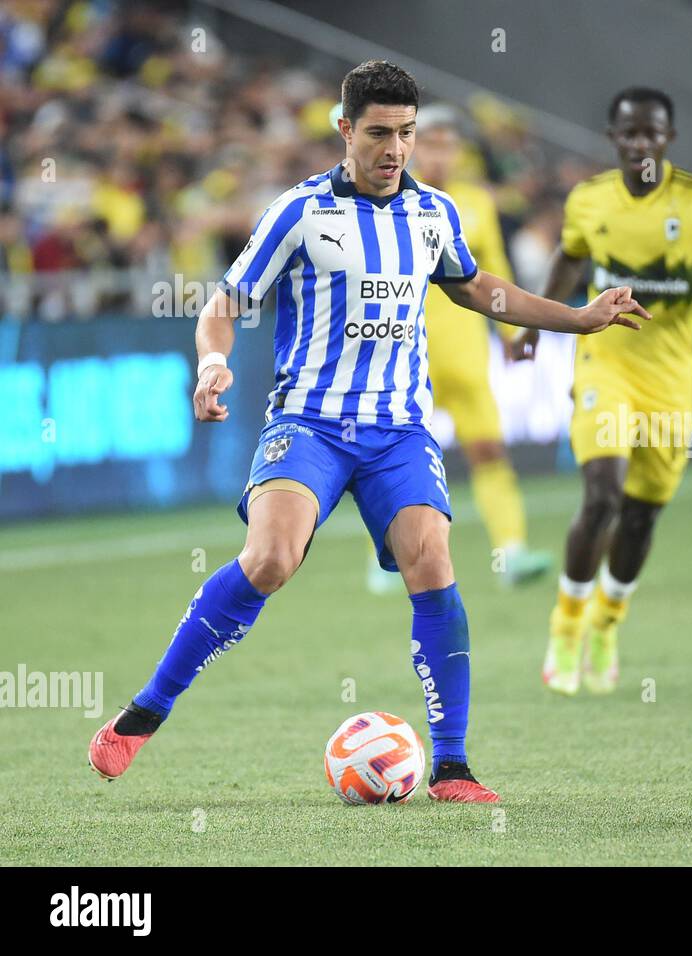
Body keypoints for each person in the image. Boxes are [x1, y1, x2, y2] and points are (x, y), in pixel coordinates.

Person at [87, 60, 648, 803]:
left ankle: (451, 765)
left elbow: (482, 289)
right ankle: (144, 712)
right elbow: (224, 301)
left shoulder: (434, 214)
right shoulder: (300, 212)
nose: (395, 149)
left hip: (397, 430)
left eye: (407, 134)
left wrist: (578, 317)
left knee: (432, 555)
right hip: (309, 423)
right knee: (271, 558)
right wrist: (212, 363)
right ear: (345, 129)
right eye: (380, 133)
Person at [513, 87, 692, 696]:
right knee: (601, 496)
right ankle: (567, 623)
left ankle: (607, 621)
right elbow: (569, 259)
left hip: (671, 382)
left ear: (668, 139)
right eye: (629, 134)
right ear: (614, 138)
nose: (640, 145)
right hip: (605, 367)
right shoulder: (589, 199)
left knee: (640, 516)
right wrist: (534, 324)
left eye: (651, 134)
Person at [364, 104, 552, 595]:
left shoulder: (475, 203)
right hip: (405, 355)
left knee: (489, 451)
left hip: (467, 352)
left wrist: (512, 334)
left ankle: (510, 553)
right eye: (430, 142)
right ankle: (382, 559)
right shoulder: (386, 199)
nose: (440, 152)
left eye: (449, 143)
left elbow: (494, 268)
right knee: (390, 458)